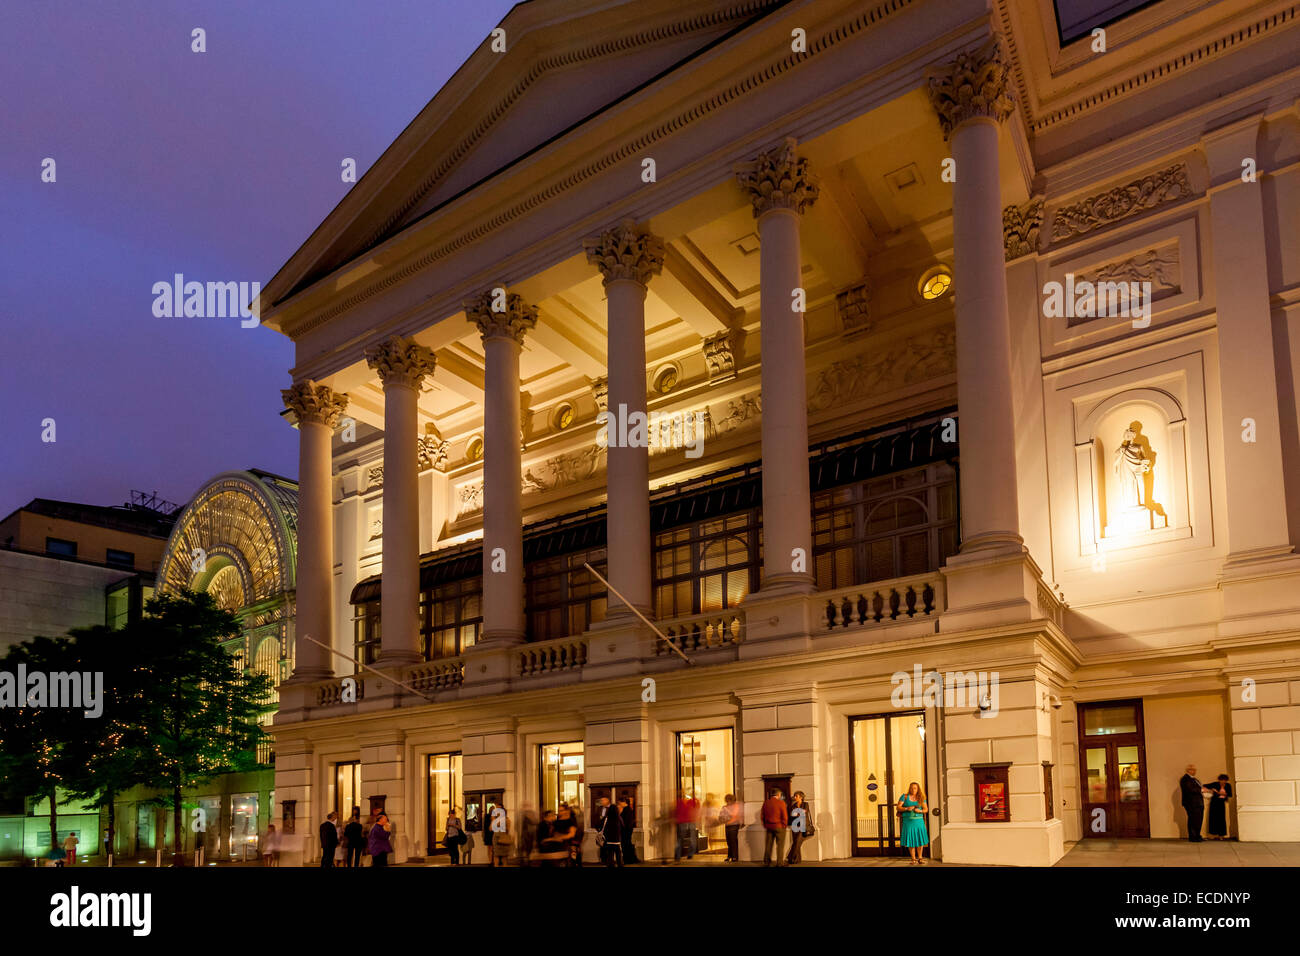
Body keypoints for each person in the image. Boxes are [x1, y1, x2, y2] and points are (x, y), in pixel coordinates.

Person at [897, 782, 928, 864]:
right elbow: (898, 807)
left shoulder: (921, 797)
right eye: (911, 788)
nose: (913, 789)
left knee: (919, 840)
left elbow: (926, 809)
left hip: (919, 822)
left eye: (915, 788)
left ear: (918, 789)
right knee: (910, 840)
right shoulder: (904, 796)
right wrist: (907, 808)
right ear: (909, 788)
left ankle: (920, 858)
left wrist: (920, 811)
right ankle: (913, 858)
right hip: (908, 822)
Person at [1180, 765, 1211, 842]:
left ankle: (1197, 836)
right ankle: (1193, 837)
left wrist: (1204, 789)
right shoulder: (1185, 779)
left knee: (1198, 820)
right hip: (1191, 803)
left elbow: (1199, 788)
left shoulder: (1195, 779)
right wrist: (1202, 790)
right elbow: (1190, 789)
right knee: (1193, 820)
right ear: (1188, 770)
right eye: (1192, 769)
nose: (1194, 771)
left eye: (1195, 769)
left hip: (1198, 803)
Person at [761, 788, 788, 866]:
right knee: (780, 845)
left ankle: (766, 862)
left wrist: (765, 824)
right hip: (779, 826)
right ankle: (779, 863)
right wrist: (784, 825)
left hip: (769, 827)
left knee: (768, 845)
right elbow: (784, 816)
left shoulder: (766, 803)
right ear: (778, 794)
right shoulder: (781, 803)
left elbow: (762, 815)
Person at [596, 796, 623, 867]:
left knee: (610, 857)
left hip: (608, 840)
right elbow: (623, 827)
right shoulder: (619, 818)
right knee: (618, 857)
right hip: (617, 841)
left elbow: (599, 826)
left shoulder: (606, 818)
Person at [673, 790, 700, 862]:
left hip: (682, 822)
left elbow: (676, 812)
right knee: (692, 838)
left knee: (680, 839)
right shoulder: (692, 801)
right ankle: (690, 853)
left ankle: (678, 855)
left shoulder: (679, 802)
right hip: (690, 821)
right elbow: (696, 811)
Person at [1205, 774, 1232, 839]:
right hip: (1214, 803)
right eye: (1222, 780)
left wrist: (1219, 793)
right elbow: (1204, 786)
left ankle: (1221, 835)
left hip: (1221, 803)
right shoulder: (1215, 784)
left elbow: (1230, 794)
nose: (1223, 782)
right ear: (1219, 780)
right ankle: (1212, 834)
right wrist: (1210, 791)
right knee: (1213, 818)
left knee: (1221, 819)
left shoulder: (1228, 785)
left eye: (1224, 780)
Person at [787, 791, 810, 865]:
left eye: (796, 796)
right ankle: (796, 859)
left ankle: (790, 857)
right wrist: (798, 813)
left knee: (797, 842)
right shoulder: (793, 805)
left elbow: (804, 812)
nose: (795, 797)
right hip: (795, 825)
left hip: (803, 826)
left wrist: (797, 813)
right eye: (794, 796)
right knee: (796, 842)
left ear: (801, 797)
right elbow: (792, 814)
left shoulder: (805, 804)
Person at [719, 794, 742, 862]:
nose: (727, 802)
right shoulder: (724, 807)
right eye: (727, 800)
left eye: (729, 800)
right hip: (727, 825)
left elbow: (736, 815)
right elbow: (720, 816)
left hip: (734, 825)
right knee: (729, 841)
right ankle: (730, 856)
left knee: (733, 841)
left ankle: (734, 857)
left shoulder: (736, 806)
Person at [617, 797, 638, 865]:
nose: (619, 805)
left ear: (623, 802)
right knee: (628, 845)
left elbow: (625, 822)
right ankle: (631, 859)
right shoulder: (628, 809)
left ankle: (627, 860)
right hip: (628, 830)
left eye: (620, 803)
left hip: (626, 831)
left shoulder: (626, 810)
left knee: (625, 846)